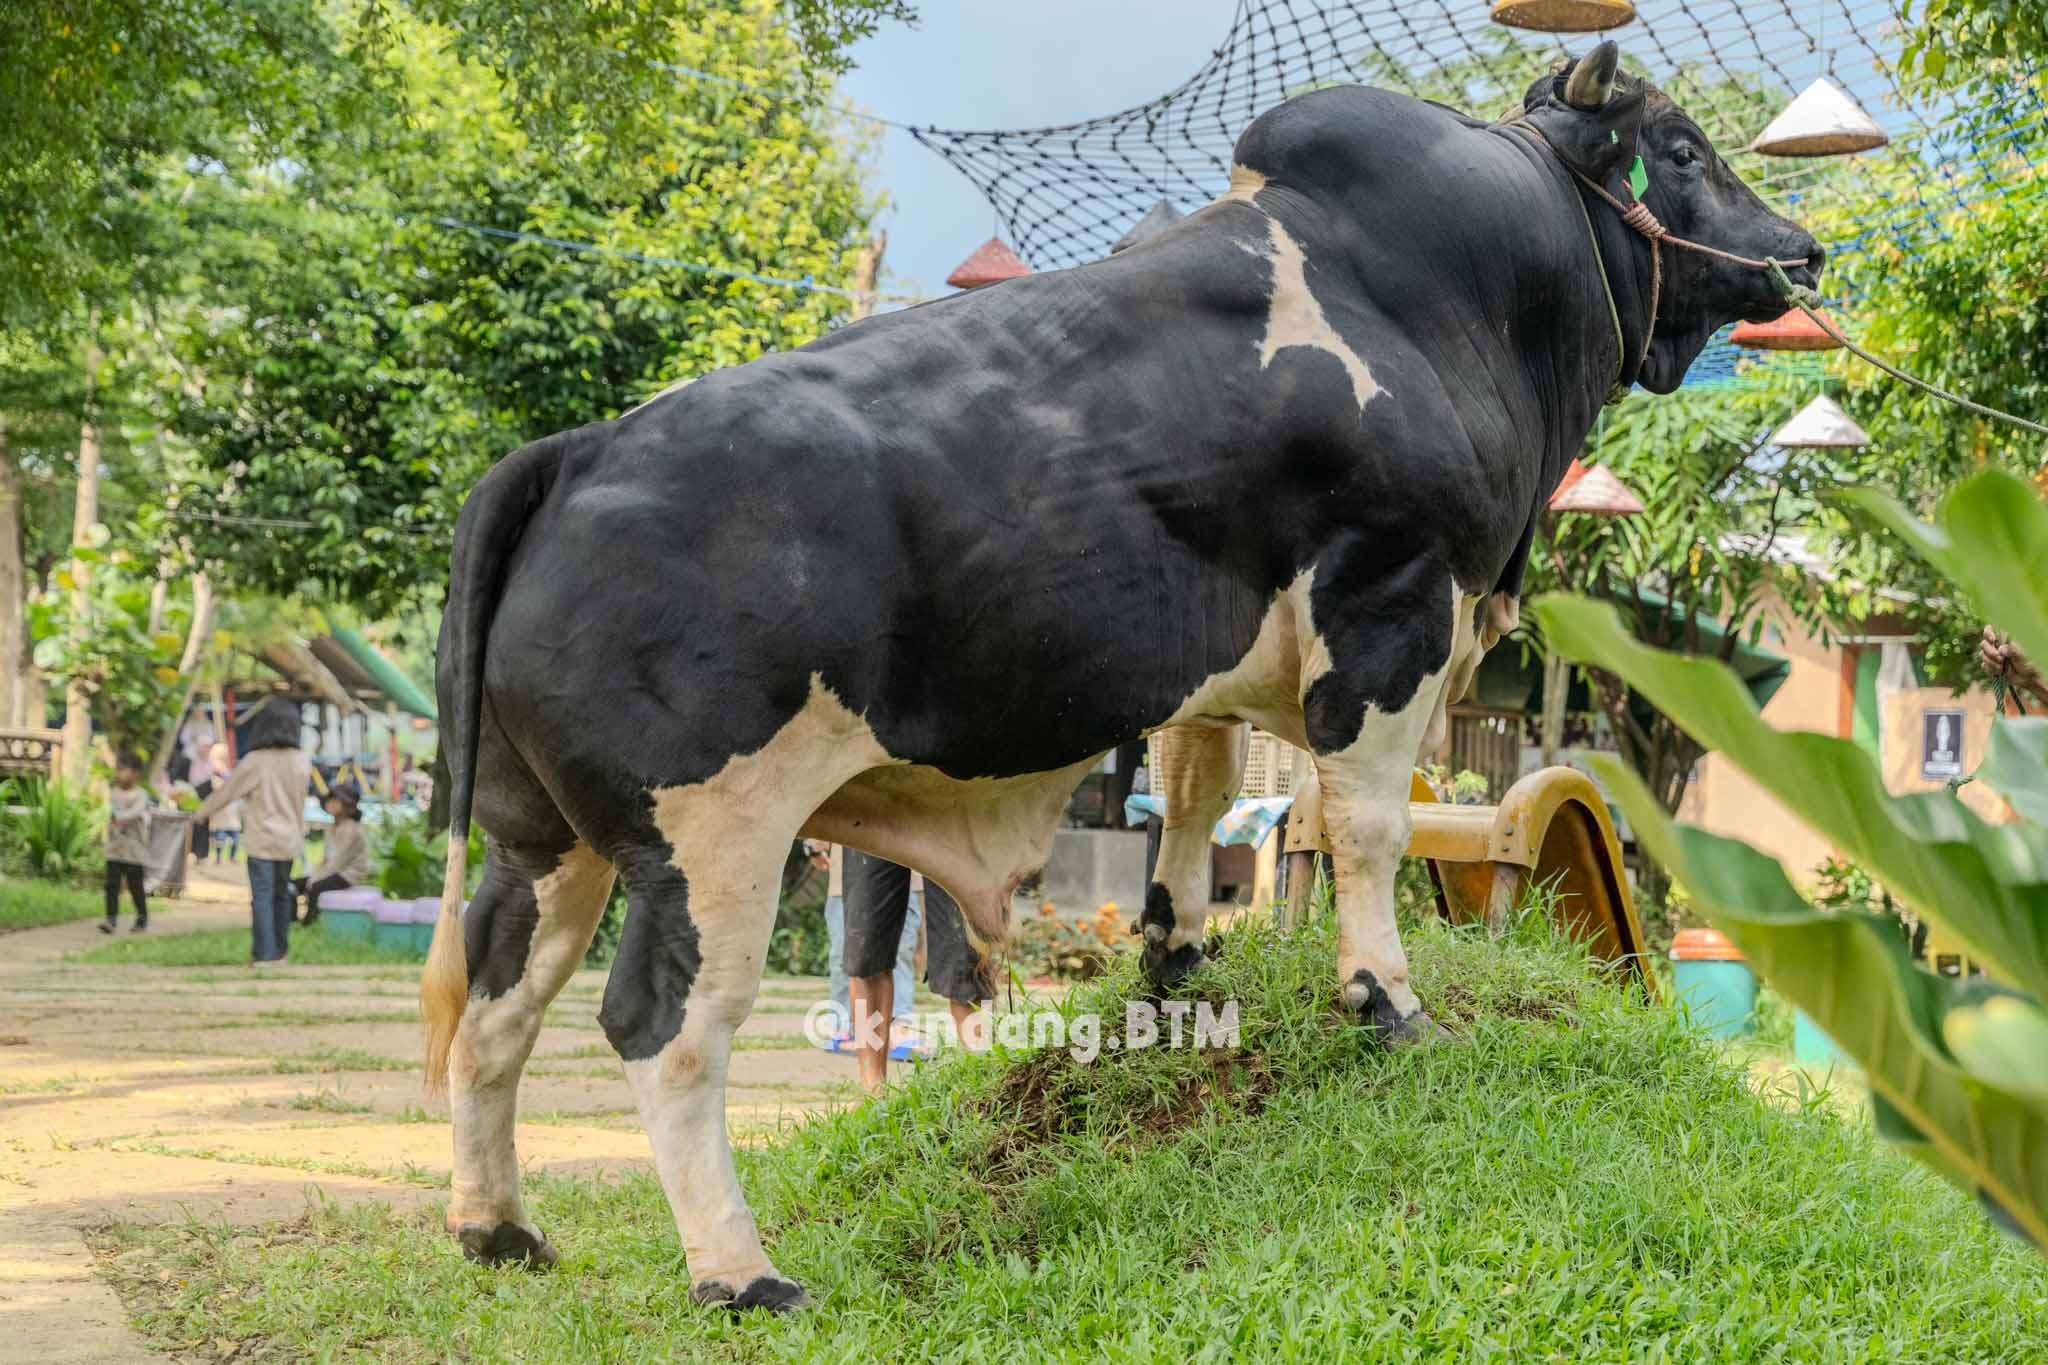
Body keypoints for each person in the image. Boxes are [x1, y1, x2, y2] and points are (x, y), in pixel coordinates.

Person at [843, 850, 994, 1094]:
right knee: (865, 950)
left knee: (966, 952)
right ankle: (873, 1092)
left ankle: (984, 1085)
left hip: (950, 819)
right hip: (871, 815)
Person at [195, 701, 312, 964]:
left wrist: (199, 814)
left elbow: (227, 793)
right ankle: (280, 952)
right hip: (290, 840)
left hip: (262, 840)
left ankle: (263, 954)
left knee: (262, 896)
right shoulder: (301, 761)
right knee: (282, 896)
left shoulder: (255, 761)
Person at [808, 843, 921, 1057]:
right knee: (847, 953)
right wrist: (814, 845)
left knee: (902, 951)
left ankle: (899, 1026)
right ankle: (843, 1026)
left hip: (905, 868)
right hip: (849, 874)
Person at [298, 781, 369, 924]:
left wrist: (315, 879)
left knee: (316, 888)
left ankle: (310, 923)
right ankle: (290, 919)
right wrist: (313, 875)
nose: (331, 803)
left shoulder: (351, 830)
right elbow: (326, 859)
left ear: (348, 807)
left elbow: (339, 862)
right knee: (296, 883)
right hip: (332, 871)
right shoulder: (332, 827)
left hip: (347, 875)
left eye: (336, 801)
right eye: (330, 799)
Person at [101, 753, 152, 934]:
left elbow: (135, 812)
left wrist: (118, 817)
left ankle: (142, 917)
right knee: (111, 883)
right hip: (115, 847)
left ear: (136, 774)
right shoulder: (113, 792)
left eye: (124, 770)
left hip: (134, 849)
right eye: (118, 770)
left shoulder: (141, 795)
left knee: (135, 885)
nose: (119, 774)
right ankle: (111, 919)